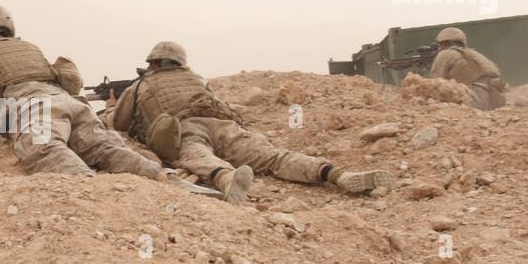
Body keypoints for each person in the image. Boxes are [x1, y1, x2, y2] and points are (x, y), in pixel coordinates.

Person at [106, 41, 394, 203]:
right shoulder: (196, 79)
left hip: (188, 130)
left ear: (153, 62)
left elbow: (118, 123)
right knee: (273, 156)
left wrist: (110, 106)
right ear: (180, 62)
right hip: (223, 125)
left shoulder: (141, 85)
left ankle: (225, 178)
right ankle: (335, 174)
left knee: (198, 157)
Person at [0, 4, 163, 180]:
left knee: (44, 149)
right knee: (103, 147)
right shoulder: (29, 48)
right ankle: (158, 175)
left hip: (36, 108)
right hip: (71, 103)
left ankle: (87, 186)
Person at [429, 26, 508, 110]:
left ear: (444, 43)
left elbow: (434, 84)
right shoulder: (474, 55)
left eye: (439, 44)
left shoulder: (445, 54)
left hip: (474, 100)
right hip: (496, 100)